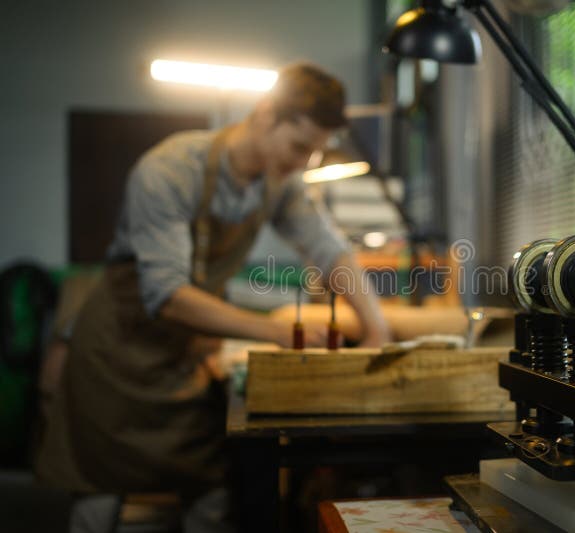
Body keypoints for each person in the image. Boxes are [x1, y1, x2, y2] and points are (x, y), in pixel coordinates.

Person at [35, 63, 391, 529]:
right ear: (266, 114)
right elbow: (167, 295)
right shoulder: (169, 170)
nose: (305, 162)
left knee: (212, 485)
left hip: (181, 356)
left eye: (315, 152)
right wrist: (276, 331)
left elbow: (330, 251)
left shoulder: (279, 183)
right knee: (101, 490)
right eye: (299, 146)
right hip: (118, 353)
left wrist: (377, 330)